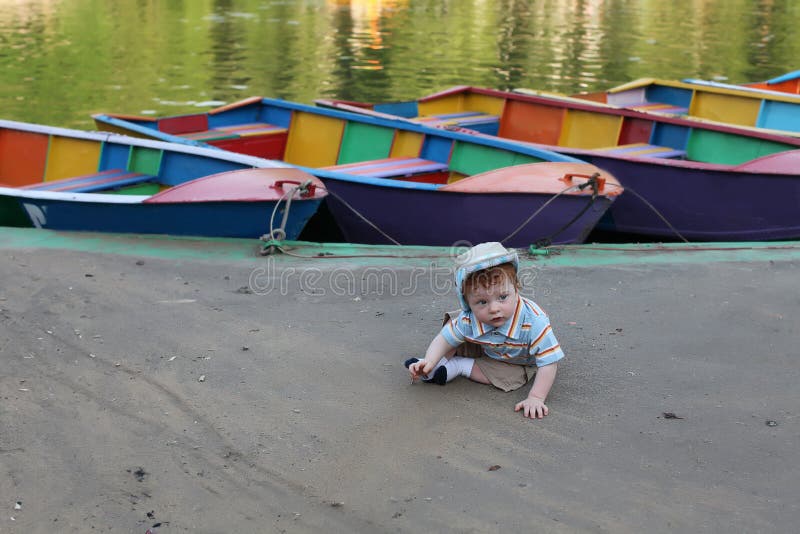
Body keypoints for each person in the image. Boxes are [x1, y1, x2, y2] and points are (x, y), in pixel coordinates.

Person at [405, 242, 564, 419]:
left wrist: (536, 397)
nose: (494, 309)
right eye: (482, 302)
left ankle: (459, 366)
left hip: (516, 360)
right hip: (486, 344)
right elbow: (445, 338)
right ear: (467, 302)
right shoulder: (470, 318)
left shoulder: (534, 322)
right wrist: (430, 359)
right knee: (454, 325)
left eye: (502, 297)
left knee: (508, 377)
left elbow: (549, 362)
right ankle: (433, 366)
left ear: (516, 288)